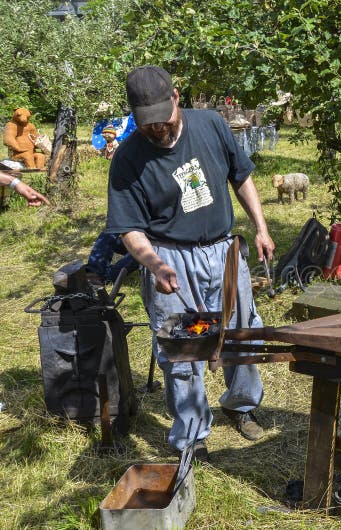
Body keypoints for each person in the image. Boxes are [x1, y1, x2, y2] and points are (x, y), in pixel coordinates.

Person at [105, 66, 276, 460]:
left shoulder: (211, 125)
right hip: (170, 257)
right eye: (147, 124)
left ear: (176, 98)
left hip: (224, 251)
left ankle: (241, 404)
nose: (158, 130)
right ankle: (193, 433)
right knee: (180, 348)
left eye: (163, 119)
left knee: (241, 332)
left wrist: (261, 228)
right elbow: (130, 229)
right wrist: (154, 264)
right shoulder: (128, 159)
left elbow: (242, 176)